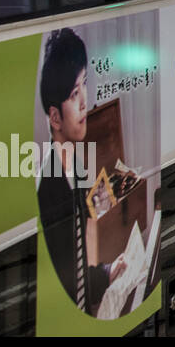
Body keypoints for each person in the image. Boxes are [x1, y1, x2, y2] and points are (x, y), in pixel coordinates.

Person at [36, 29, 128, 315]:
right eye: (75, 93)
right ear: (55, 117)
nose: (85, 101)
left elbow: (91, 209)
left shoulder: (75, 164)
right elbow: (64, 282)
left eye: (85, 84)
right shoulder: (47, 191)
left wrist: (108, 272)